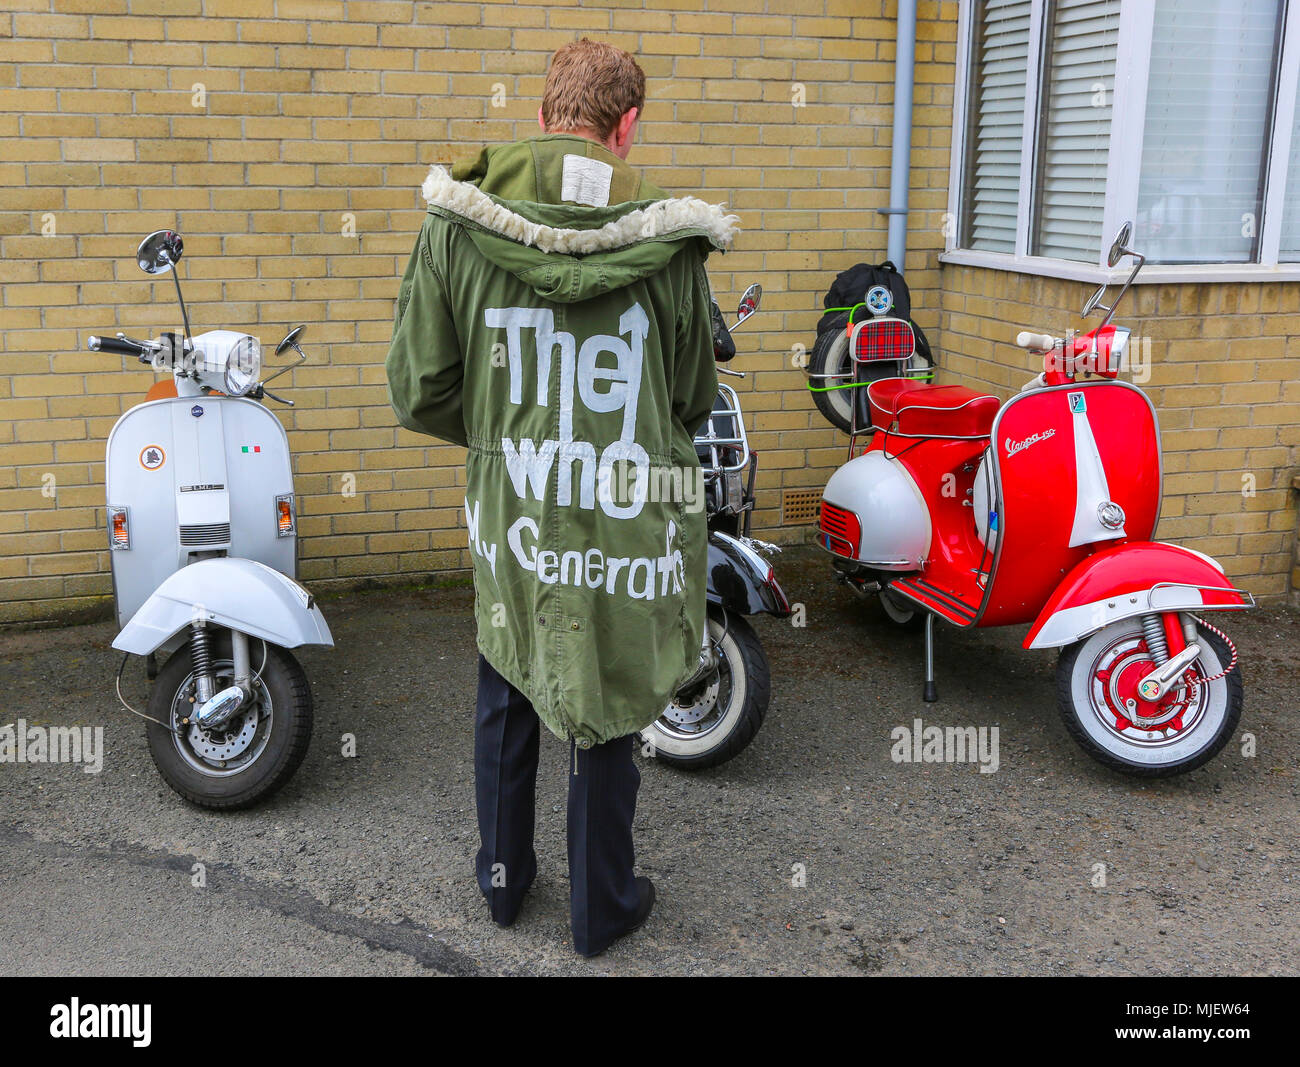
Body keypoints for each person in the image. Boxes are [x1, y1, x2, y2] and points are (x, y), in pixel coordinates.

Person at [385, 38, 738, 957]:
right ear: (626, 127)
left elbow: (419, 387)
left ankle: (503, 884)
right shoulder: (670, 237)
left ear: (543, 117)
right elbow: (692, 394)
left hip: (516, 504)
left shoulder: (457, 222)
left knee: (509, 669)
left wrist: (509, 432)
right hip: (624, 513)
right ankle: (602, 907)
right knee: (608, 693)